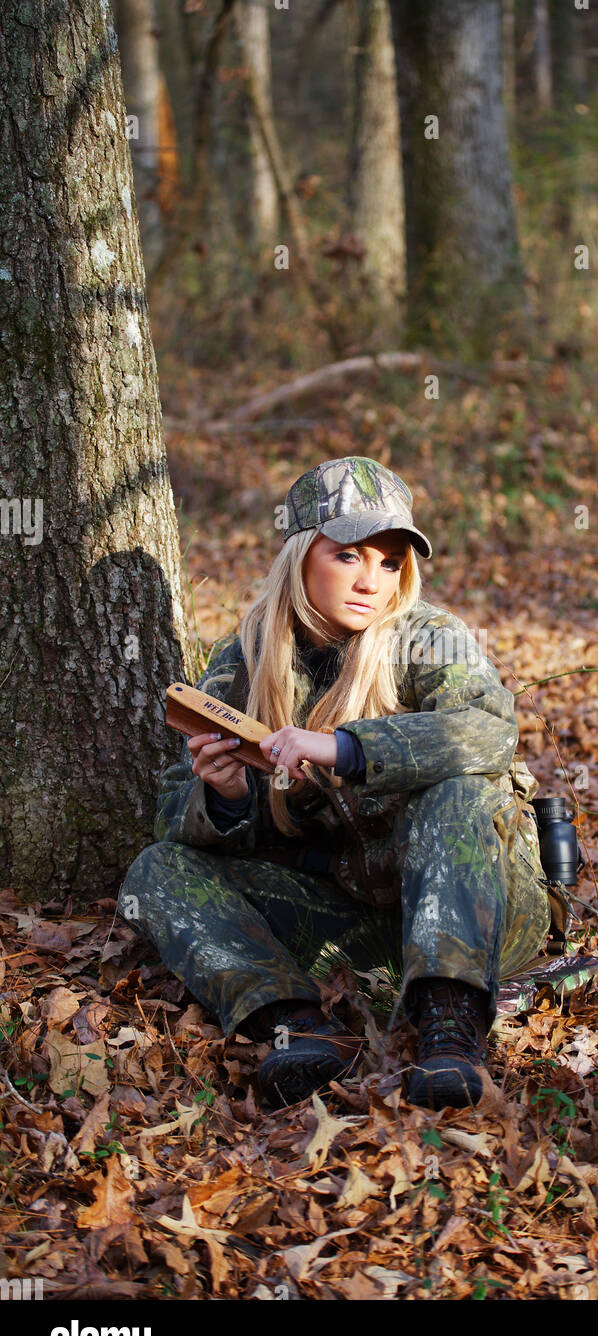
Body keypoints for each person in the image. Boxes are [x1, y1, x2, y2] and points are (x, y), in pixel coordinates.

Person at [118, 456, 552, 1111]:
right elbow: (177, 813)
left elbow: (489, 731)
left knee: (458, 789)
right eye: (349, 556)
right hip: (357, 926)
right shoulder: (244, 659)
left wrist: (348, 748)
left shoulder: (428, 638)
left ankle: (449, 1036)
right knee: (157, 869)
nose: (371, 580)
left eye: (389, 562)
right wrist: (227, 796)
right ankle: (304, 1031)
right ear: (300, 557)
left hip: (486, 912)